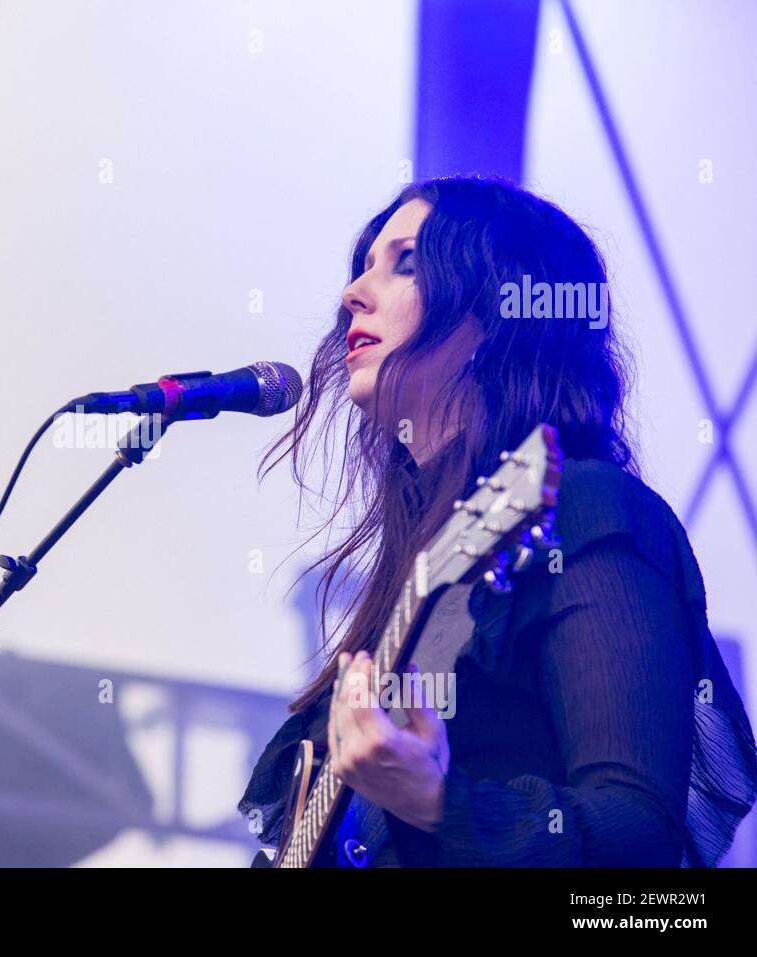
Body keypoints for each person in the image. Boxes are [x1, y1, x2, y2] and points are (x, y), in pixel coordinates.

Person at [237, 176, 757, 867]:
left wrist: (436, 801)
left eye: (406, 263)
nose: (352, 293)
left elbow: (638, 837)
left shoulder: (587, 507)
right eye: (362, 266)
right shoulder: (418, 564)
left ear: (497, 310)